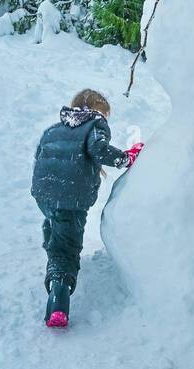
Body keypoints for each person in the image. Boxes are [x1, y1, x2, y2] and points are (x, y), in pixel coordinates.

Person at [32, 89, 142, 327]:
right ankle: (58, 307)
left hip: (45, 195)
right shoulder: (94, 124)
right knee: (67, 250)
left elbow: (40, 157)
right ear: (98, 109)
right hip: (71, 199)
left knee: (55, 225)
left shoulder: (53, 130)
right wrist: (126, 159)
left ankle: (51, 240)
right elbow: (98, 149)